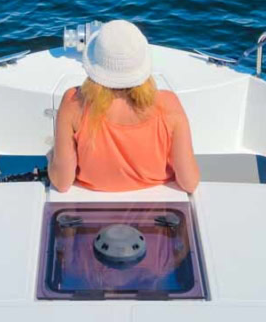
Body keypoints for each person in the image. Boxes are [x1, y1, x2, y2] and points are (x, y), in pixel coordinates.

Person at [48, 19, 200, 193]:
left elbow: (62, 182)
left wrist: (52, 157)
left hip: (93, 208)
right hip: (158, 211)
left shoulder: (73, 103)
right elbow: (190, 183)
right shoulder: (168, 104)